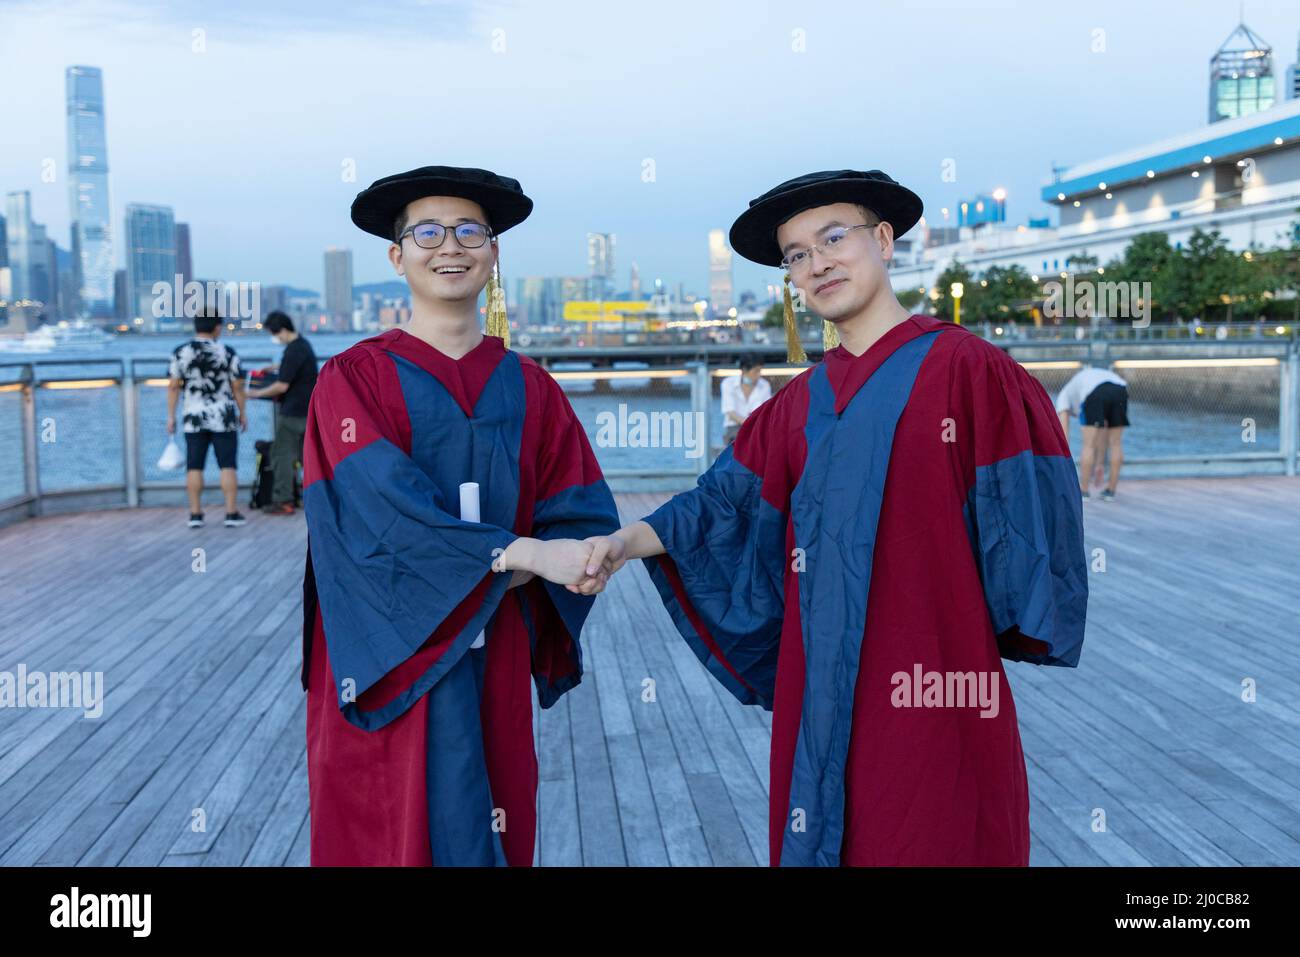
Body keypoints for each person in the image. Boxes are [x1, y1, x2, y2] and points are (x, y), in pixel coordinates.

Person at [574, 170, 1088, 866]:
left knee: (935, 831)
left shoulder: (969, 370)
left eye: (833, 237)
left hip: (935, 679)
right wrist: (628, 540)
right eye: (795, 255)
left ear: (883, 240)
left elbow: (1030, 518)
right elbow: (723, 502)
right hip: (820, 683)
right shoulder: (799, 404)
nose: (816, 263)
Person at [301, 165, 619, 866]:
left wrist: (568, 554)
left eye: (471, 229)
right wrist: (518, 554)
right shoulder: (352, 381)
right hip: (387, 657)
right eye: (428, 230)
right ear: (397, 256)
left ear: (494, 250)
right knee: (387, 834)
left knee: (494, 824)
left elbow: (579, 513)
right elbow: (376, 523)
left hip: (492, 648)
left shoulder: (532, 389)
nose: (451, 244)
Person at [166, 306, 248, 528]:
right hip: (223, 415)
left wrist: (171, 417)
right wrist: (243, 413)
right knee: (227, 465)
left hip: (193, 416)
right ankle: (231, 513)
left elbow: (173, 386)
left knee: (194, 466)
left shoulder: (180, 352)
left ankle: (195, 514)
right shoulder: (227, 352)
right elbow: (238, 386)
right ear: (217, 327)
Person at [247, 311, 317, 514]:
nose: (275, 338)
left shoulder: (293, 350)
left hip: (293, 413)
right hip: (307, 411)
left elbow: (281, 386)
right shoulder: (303, 346)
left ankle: (283, 499)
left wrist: (256, 393)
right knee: (308, 457)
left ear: (283, 330)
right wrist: (276, 366)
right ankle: (318, 494)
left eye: (275, 334)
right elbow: (295, 368)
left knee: (281, 455)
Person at [1055, 363, 1129, 501]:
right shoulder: (1081, 382)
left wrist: (1061, 466)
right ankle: (1110, 491)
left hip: (1094, 392)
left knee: (1088, 444)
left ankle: (1084, 491)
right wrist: (1099, 463)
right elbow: (1103, 429)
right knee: (1116, 443)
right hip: (1120, 389)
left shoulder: (1063, 397)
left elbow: (1063, 437)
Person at [720, 353, 771, 445]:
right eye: (756, 371)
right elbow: (730, 412)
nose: (759, 374)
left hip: (757, 429)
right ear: (744, 370)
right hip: (735, 429)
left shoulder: (764, 385)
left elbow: (766, 412)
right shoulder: (728, 384)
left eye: (760, 371)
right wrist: (748, 424)